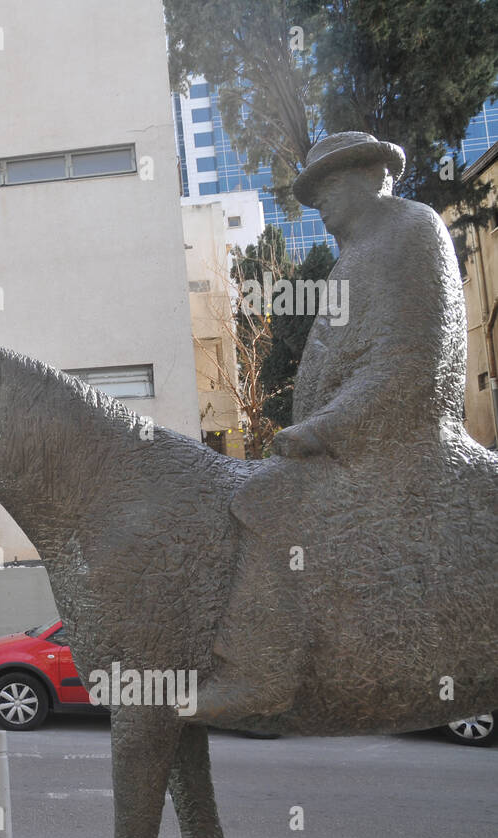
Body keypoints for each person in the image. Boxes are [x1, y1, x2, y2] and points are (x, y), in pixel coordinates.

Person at [198, 132, 468, 720]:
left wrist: (323, 431)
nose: (320, 200)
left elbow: (410, 361)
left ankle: (255, 670)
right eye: (314, 190)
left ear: (375, 174)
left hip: (400, 442)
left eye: (332, 184)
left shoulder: (409, 231)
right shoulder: (361, 250)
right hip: (357, 444)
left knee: (265, 499)